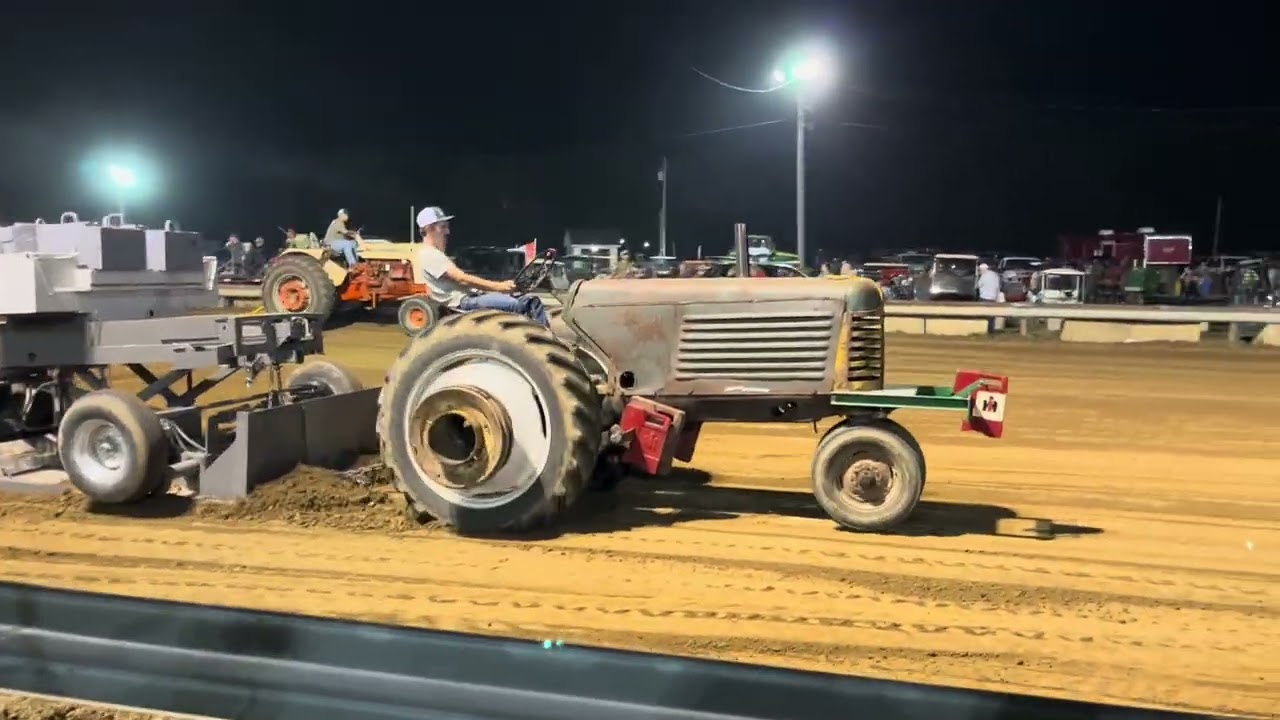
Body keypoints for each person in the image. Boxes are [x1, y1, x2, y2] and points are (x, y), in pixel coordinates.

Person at [414, 206, 549, 327]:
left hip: (469, 297)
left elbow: (460, 282)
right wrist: (499, 287)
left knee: (521, 298)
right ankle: (544, 341)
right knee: (529, 303)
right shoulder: (429, 254)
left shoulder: (435, 254)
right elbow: (461, 279)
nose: (447, 232)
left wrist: (493, 290)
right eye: (443, 227)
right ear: (429, 229)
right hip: (464, 301)